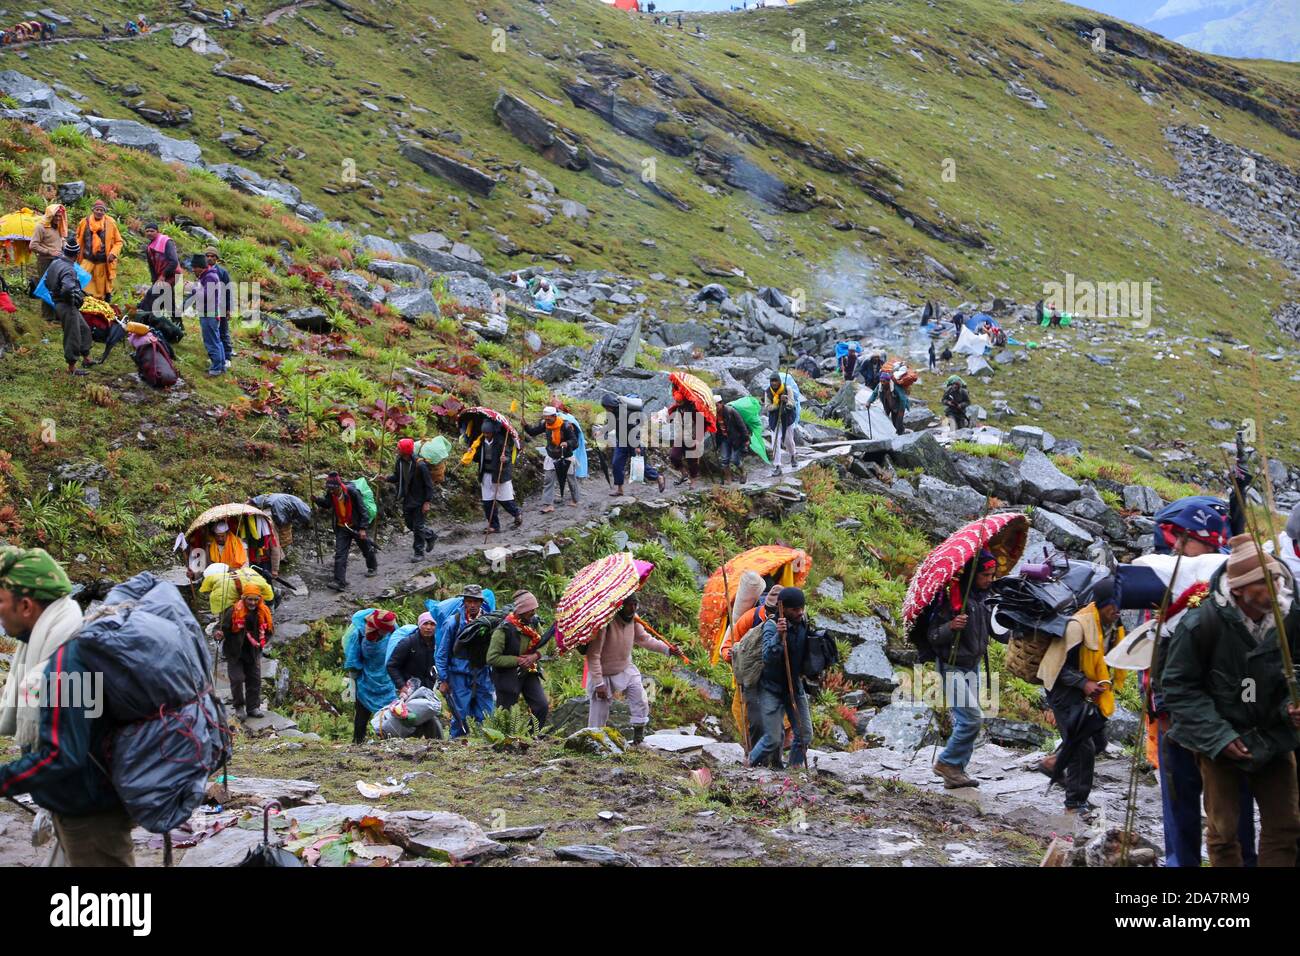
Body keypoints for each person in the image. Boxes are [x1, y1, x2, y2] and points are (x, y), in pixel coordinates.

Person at [1161, 535, 1300, 866]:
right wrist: (1219, 736)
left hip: (1273, 735)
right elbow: (1178, 687)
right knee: (1223, 832)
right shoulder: (1201, 622)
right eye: (1266, 583)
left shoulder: (1291, 617)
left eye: (1278, 579)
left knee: (1286, 826)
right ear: (1238, 590)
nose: (1277, 589)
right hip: (1218, 739)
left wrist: (1292, 706)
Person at [0, 547, 133, 866]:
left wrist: (4, 779)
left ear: (27, 606)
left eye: (1, 602)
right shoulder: (55, 644)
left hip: (91, 816)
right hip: (78, 805)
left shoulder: (67, 662)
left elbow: (63, 756)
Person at [1038, 577, 1126, 819]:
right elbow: (1057, 666)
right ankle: (1075, 803)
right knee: (1082, 746)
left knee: (1098, 743)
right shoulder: (1078, 626)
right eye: (1114, 605)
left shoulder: (1114, 627)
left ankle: (1054, 763)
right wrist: (1084, 683)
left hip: (1089, 692)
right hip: (1063, 689)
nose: (1118, 610)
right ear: (1102, 604)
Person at [919, 551, 996, 788]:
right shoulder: (951, 598)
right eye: (985, 574)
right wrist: (951, 626)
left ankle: (956, 772)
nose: (990, 579)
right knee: (972, 719)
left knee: (967, 720)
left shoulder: (984, 597)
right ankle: (947, 763)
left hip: (972, 665)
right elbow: (932, 635)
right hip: (951, 666)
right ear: (974, 574)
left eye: (993, 574)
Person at [586, 594, 682, 744]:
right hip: (603, 672)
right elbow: (593, 655)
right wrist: (598, 683)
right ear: (620, 606)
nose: (633, 608)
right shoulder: (605, 623)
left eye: (635, 604)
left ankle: (638, 739)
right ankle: (593, 744)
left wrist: (668, 650)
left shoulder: (634, 619)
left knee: (640, 699)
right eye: (629, 605)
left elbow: (644, 639)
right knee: (598, 717)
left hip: (625, 668)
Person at [747, 587, 813, 769]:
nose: (800, 612)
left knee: (805, 733)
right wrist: (779, 636)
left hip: (795, 686)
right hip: (771, 688)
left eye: (802, 608)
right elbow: (767, 656)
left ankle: (793, 771)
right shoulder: (771, 626)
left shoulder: (803, 621)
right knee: (773, 738)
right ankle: (749, 764)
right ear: (783, 609)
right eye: (795, 609)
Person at [432, 584, 497, 737]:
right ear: (464, 602)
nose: (472, 605)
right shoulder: (453, 623)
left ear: (482, 602)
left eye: (476, 601)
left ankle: (485, 747)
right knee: (460, 714)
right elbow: (442, 654)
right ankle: (456, 749)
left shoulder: (490, 622)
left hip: (483, 673)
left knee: (487, 713)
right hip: (459, 675)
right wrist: (443, 680)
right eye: (469, 601)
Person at [486, 590, 550, 729]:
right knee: (506, 715)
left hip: (529, 671)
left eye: (534, 609)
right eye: (530, 610)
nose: (533, 612)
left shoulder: (534, 622)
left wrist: (535, 656)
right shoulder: (503, 630)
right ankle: (504, 741)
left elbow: (544, 642)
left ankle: (531, 737)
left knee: (541, 705)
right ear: (520, 611)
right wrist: (518, 660)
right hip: (506, 676)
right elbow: (492, 658)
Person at [313, 473, 377, 591]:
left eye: (333, 489)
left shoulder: (352, 493)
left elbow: (363, 510)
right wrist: (317, 500)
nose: (331, 492)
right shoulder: (331, 493)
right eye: (329, 489)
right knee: (340, 554)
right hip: (342, 526)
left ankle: (372, 567)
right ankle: (340, 582)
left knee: (365, 547)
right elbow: (327, 504)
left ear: (339, 486)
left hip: (356, 525)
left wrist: (363, 528)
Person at [342, 608, 398, 743]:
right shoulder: (359, 634)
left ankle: (391, 741)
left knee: (391, 714)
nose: (388, 632)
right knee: (362, 715)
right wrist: (353, 684)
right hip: (366, 681)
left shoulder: (392, 628)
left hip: (387, 679)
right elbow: (353, 660)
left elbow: (398, 646)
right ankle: (357, 742)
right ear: (378, 628)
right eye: (386, 630)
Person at [215, 589, 271, 719]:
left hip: (253, 652)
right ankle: (239, 707)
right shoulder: (233, 611)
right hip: (235, 652)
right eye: (249, 599)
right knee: (237, 679)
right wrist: (218, 634)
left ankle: (253, 707)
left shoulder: (263, 612)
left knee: (255, 679)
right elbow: (219, 627)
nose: (252, 602)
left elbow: (269, 630)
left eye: (255, 600)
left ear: (259, 600)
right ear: (244, 599)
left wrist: (262, 642)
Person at [600, 393, 666, 497]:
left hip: (634, 442)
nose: (606, 409)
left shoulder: (624, 412)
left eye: (606, 407)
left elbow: (634, 429)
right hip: (621, 441)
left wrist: (637, 446)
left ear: (609, 405)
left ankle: (658, 477)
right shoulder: (611, 413)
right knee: (616, 464)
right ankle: (620, 490)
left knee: (640, 467)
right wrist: (601, 432)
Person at [44, 237, 93, 376]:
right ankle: (72, 367)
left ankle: (86, 358)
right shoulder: (69, 269)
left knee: (84, 329)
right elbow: (68, 289)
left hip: (59, 302)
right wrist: (74, 299)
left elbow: (47, 281)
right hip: (66, 305)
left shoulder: (56, 263)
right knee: (73, 335)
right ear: (77, 255)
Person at [385, 614, 440, 735]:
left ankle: (432, 743)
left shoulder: (438, 643)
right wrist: (401, 685)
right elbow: (391, 665)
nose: (429, 627)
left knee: (427, 714)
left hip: (427, 688)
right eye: (425, 624)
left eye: (432, 624)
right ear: (420, 625)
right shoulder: (408, 642)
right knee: (408, 716)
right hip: (408, 688)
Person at [385, 437, 436, 560]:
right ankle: (430, 536)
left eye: (399, 448)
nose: (396, 450)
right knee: (409, 524)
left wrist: (427, 502)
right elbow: (398, 477)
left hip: (420, 500)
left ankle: (419, 553)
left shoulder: (420, 465)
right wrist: (386, 478)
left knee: (418, 526)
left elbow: (429, 484)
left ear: (405, 451)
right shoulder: (400, 461)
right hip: (407, 498)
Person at [469, 419, 523, 533]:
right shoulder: (480, 441)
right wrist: (472, 453)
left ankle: (516, 513)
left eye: (488, 433)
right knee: (487, 502)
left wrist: (505, 459)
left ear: (493, 432)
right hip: (486, 475)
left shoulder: (501, 441)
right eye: (484, 433)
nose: (486, 435)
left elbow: (508, 456)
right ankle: (494, 525)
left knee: (504, 499)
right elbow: (478, 458)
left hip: (499, 474)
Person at [524, 406, 580, 513]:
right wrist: (525, 425)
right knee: (548, 480)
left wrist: (567, 443)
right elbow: (533, 432)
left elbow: (575, 442)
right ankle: (549, 505)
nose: (547, 421)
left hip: (566, 457)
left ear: (554, 416)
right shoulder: (545, 424)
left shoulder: (566, 426)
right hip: (551, 456)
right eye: (545, 418)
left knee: (570, 479)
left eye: (548, 419)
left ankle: (575, 499)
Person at [185, 252, 227, 375]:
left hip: (209, 314)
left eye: (194, 267)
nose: (193, 270)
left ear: (201, 267)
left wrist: (191, 288)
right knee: (216, 340)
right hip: (210, 313)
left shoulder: (210, 277)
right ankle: (221, 366)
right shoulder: (206, 275)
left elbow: (206, 296)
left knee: (211, 341)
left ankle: (216, 369)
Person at [75, 201, 123, 302]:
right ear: (93, 210)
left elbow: (118, 242)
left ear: (105, 212)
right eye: (97, 209)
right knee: (79, 281)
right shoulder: (84, 222)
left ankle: (97, 306)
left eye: (102, 210)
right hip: (87, 259)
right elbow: (78, 238)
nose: (99, 212)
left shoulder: (110, 223)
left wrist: (113, 253)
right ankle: (79, 302)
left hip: (102, 261)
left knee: (100, 288)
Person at [29, 203, 66, 321]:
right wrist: (49, 252)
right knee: (47, 287)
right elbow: (33, 245)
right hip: (45, 261)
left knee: (58, 287)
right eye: (56, 216)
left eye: (60, 216)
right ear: (50, 216)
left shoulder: (59, 226)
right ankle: (47, 317)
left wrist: (64, 246)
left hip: (58, 261)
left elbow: (61, 240)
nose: (58, 218)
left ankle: (57, 315)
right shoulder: (41, 227)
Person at [667, 387, 706, 489]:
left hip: (692, 437)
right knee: (674, 457)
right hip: (680, 437)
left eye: (679, 402)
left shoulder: (694, 409)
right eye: (677, 401)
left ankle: (693, 482)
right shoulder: (676, 408)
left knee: (692, 461)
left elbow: (701, 424)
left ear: (684, 400)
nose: (678, 403)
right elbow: (669, 417)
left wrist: (697, 439)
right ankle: (684, 473)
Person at [141, 222, 180, 319]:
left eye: (152, 231)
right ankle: (179, 325)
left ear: (158, 232)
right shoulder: (149, 248)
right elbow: (152, 267)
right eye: (147, 231)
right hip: (161, 276)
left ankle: (149, 319)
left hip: (172, 274)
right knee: (169, 301)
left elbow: (174, 262)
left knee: (153, 297)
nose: (149, 233)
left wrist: (163, 276)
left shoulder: (166, 242)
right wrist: (154, 280)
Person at [763, 372, 798, 476]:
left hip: (787, 418)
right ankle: (777, 466)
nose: (774, 383)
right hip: (775, 420)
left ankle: (793, 455)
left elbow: (792, 404)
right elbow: (767, 407)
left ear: (779, 381)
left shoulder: (787, 389)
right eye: (772, 381)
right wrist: (777, 403)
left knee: (788, 441)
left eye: (776, 381)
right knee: (775, 442)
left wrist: (786, 401)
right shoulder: (768, 392)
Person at [205, 246, 236, 362]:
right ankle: (215, 356)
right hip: (208, 307)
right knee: (211, 332)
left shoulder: (222, 272)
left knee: (223, 331)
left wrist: (228, 309)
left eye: (212, 256)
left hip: (221, 306)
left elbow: (228, 291)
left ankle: (227, 357)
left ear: (217, 258)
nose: (209, 258)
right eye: (207, 256)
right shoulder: (202, 271)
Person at [714, 395, 750, 483]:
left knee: (735, 460)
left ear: (721, 403)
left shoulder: (731, 411)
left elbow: (742, 426)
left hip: (735, 439)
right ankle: (729, 481)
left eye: (716, 405)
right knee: (724, 460)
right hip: (723, 439)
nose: (715, 408)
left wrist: (746, 439)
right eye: (713, 406)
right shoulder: (713, 414)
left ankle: (743, 472)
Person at [867, 367, 910, 434]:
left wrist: (901, 410)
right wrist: (869, 401)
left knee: (898, 422)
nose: (882, 383)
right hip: (889, 406)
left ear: (888, 381)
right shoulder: (880, 386)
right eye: (881, 381)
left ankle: (901, 434)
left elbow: (903, 398)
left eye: (884, 381)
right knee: (892, 422)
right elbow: (874, 393)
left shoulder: (895, 387)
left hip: (898, 406)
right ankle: (898, 433)